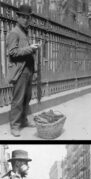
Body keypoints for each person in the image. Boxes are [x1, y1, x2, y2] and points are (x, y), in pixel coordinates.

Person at [6, 4, 41, 137]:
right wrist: (30, 48)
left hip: (28, 70)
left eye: (28, 18)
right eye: (23, 17)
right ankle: (14, 126)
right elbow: (12, 52)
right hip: (20, 72)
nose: (26, 20)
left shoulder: (25, 32)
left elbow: (26, 51)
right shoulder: (14, 33)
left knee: (27, 98)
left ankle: (24, 121)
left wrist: (34, 68)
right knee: (18, 100)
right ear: (18, 17)